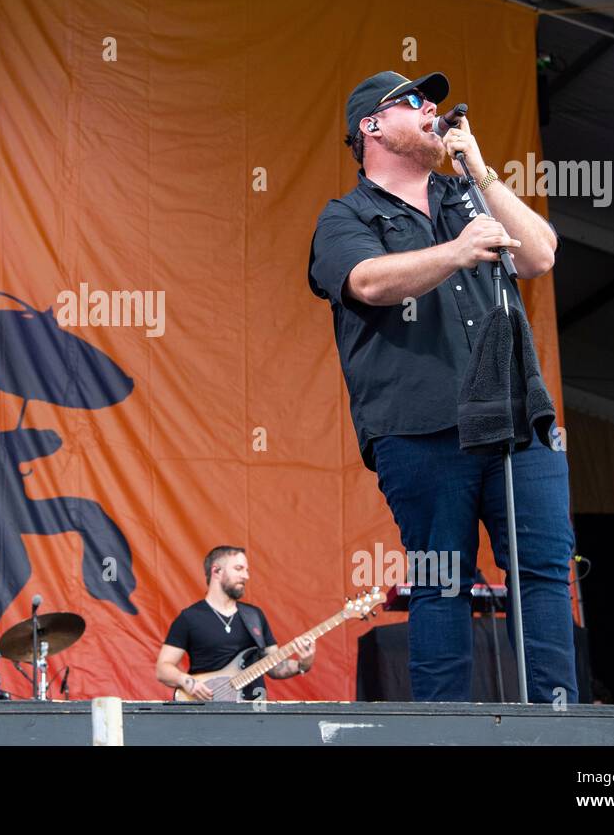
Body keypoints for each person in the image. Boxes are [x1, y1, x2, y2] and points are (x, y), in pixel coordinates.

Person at [308, 70, 576, 703]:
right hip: (420, 425)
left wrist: (480, 171)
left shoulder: (467, 196)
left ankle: (559, 725)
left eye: (434, 99)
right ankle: (444, 735)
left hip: (516, 415)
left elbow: (539, 255)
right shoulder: (346, 215)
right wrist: (457, 251)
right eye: (415, 100)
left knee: (542, 569)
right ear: (372, 126)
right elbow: (367, 281)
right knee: (442, 577)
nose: (432, 108)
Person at [155, 546, 313, 700]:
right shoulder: (190, 617)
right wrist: (187, 681)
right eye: (239, 569)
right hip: (208, 707)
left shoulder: (254, 616)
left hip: (253, 709)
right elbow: (163, 668)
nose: (246, 576)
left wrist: (303, 664)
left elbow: (276, 668)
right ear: (216, 571)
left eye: (247, 570)